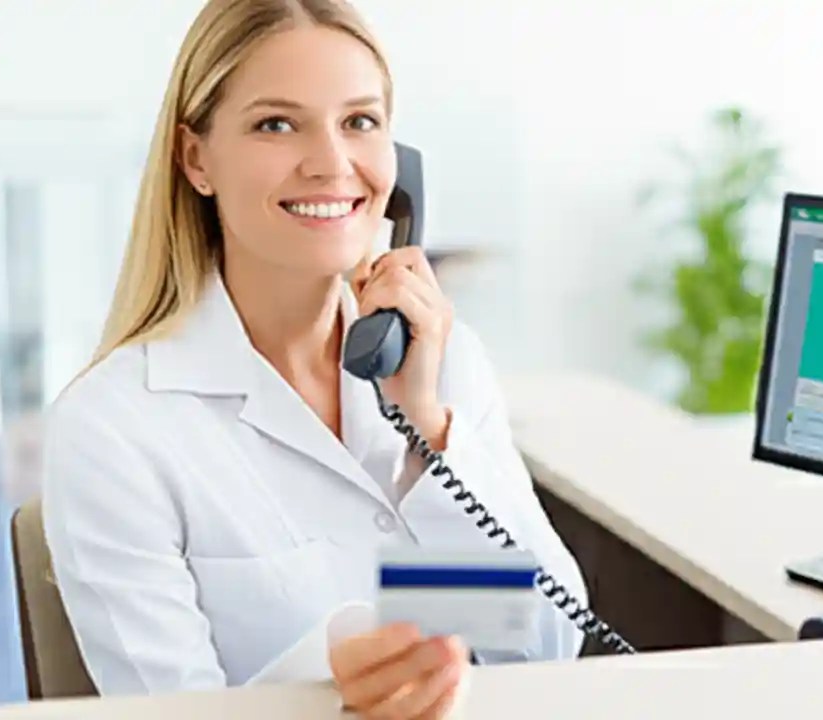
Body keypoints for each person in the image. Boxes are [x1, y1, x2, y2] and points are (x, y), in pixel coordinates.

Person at [40, 0, 587, 716]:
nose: (331, 163)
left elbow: (542, 650)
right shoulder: (114, 427)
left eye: (359, 122)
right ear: (196, 159)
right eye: (276, 124)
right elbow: (176, 711)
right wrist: (327, 685)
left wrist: (425, 429)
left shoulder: (440, 362)